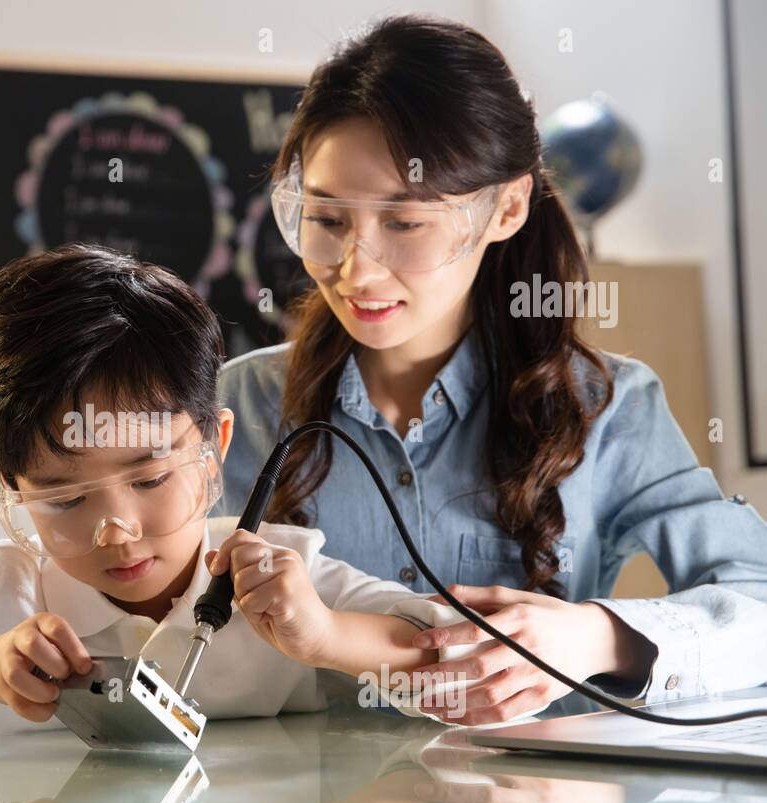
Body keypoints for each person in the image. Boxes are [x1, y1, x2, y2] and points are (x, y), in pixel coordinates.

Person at [220, 13, 767, 725]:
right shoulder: (235, 405)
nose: (357, 269)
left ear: (506, 207)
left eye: (406, 223)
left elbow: (757, 603)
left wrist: (596, 635)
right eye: (327, 221)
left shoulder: (609, 407)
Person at [0, 244, 513, 749]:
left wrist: (326, 635)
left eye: (148, 480)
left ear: (216, 446)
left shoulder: (283, 579)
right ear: (12, 489)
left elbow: (458, 664)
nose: (115, 530)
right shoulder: (0, 595)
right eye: (64, 500)